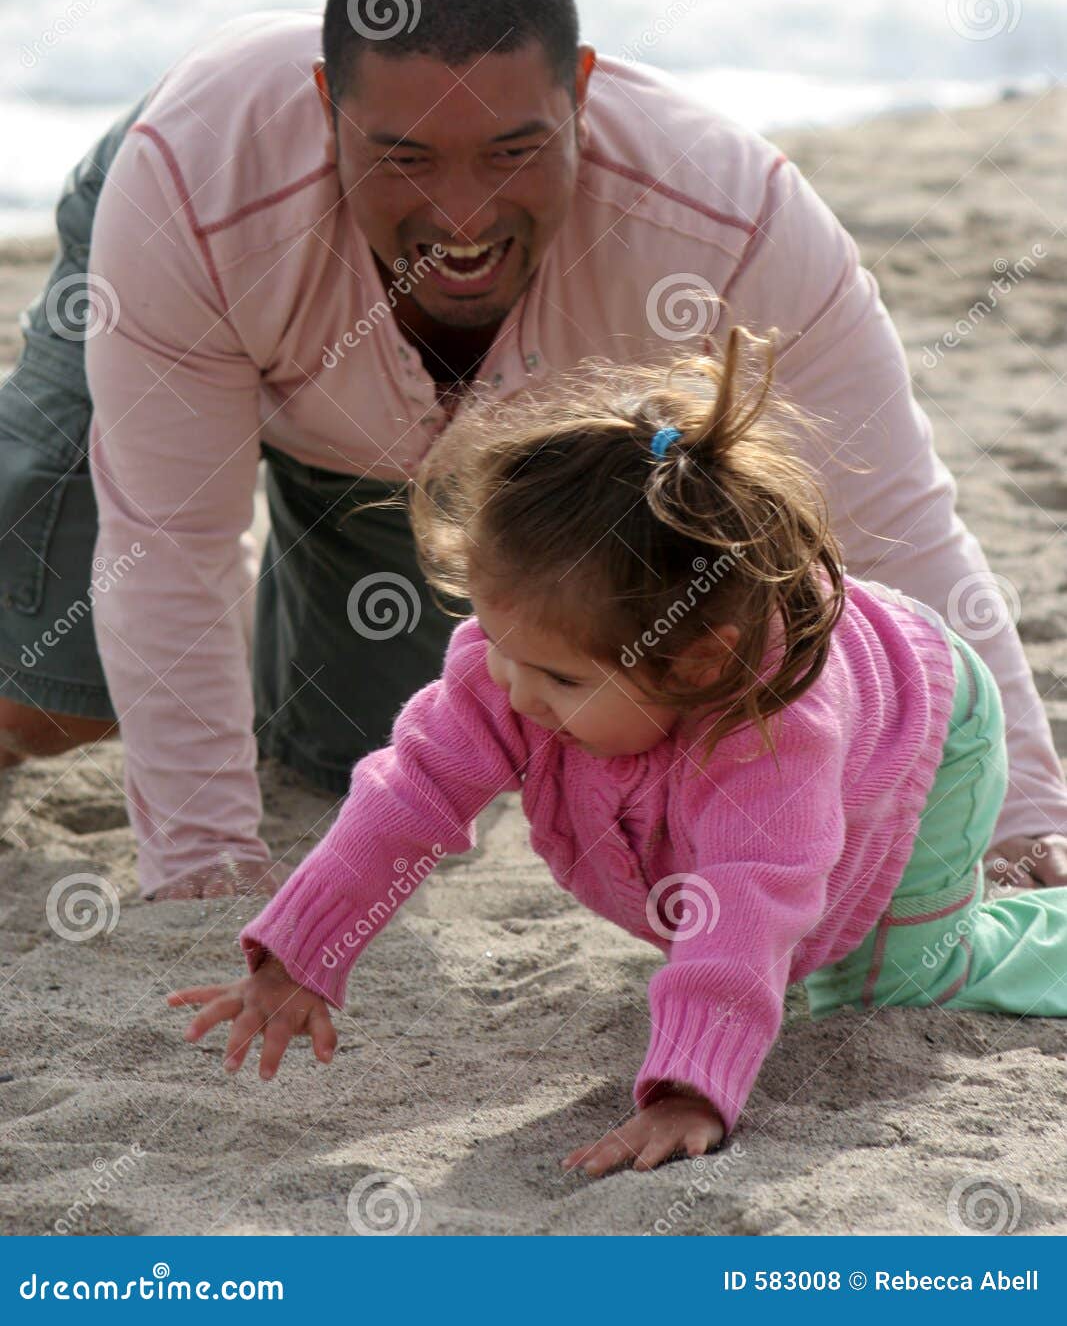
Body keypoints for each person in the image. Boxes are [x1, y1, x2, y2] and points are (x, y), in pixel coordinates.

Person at [1, 0, 1065, 901]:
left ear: (582, 95)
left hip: (429, 454)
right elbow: (172, 539)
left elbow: (892, 517)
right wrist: (203, 857)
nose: (461, 215)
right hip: (215, 309)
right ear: (328, 109)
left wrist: (1021, 806)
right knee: (45, 684)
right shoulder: (195, 187)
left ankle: (282, 593)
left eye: (512, 151)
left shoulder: (726, 213)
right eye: (404, 157)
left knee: (348, 750)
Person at [166, 327, 1067, 1177]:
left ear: (696, 660)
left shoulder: (769, 735)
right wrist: (301, 952)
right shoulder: (517, 663)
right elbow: (410, 791)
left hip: (927, 727)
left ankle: (1031, 931)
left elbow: (749, 887)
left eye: (554, 678)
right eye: (493, 642)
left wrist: (688, 1090)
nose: (510, 690)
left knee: (884, 984)